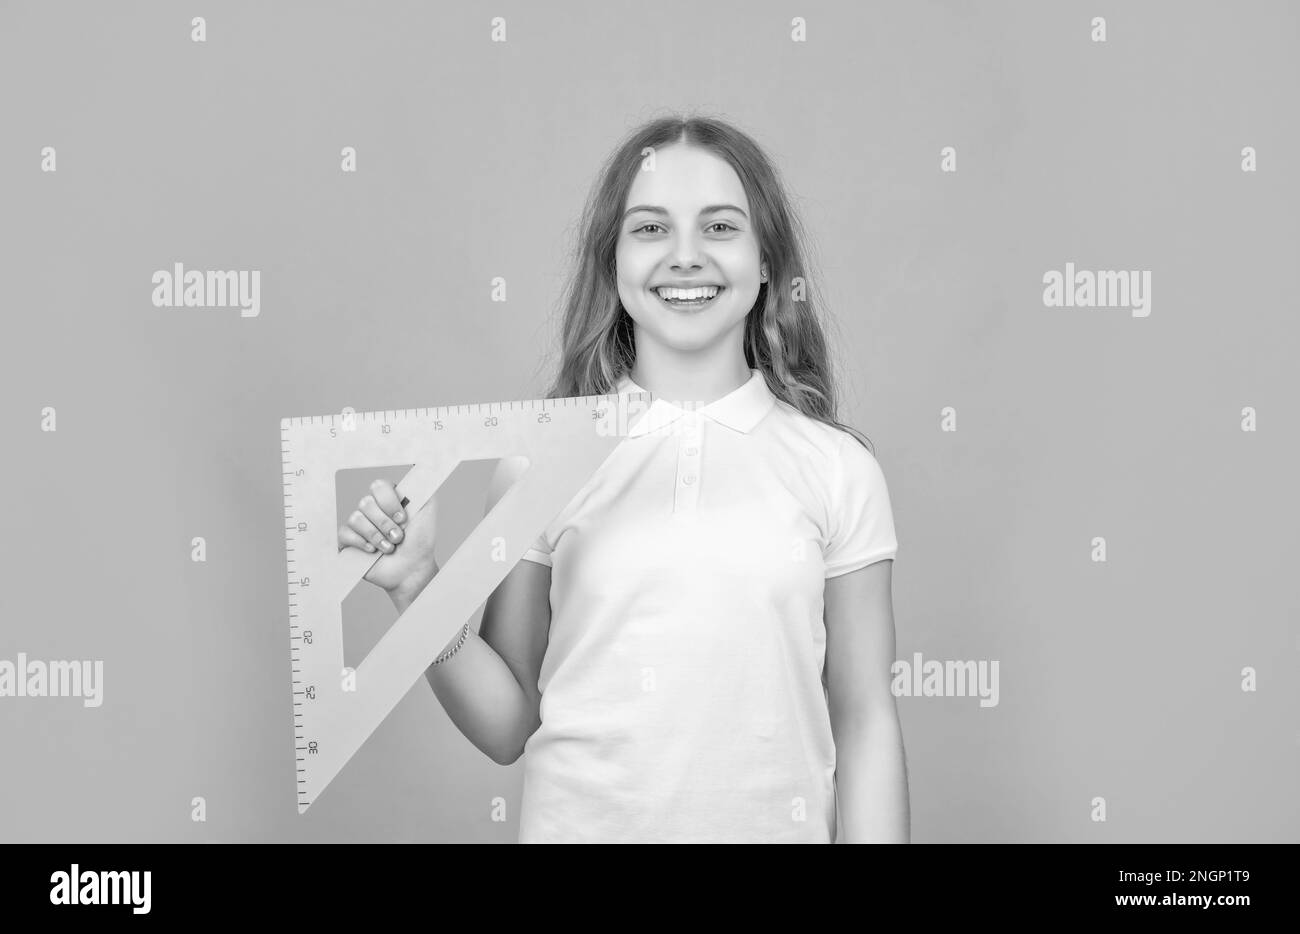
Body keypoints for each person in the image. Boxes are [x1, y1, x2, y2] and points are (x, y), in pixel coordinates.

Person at [337, 115, 907, 843]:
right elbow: (510, 724)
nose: (686, 256)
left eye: (721, 227)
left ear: (768, 262)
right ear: (612, 261)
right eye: (650, 229)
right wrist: (420, 591)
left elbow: (865, 722)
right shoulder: (544, 462)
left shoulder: (838, 470)